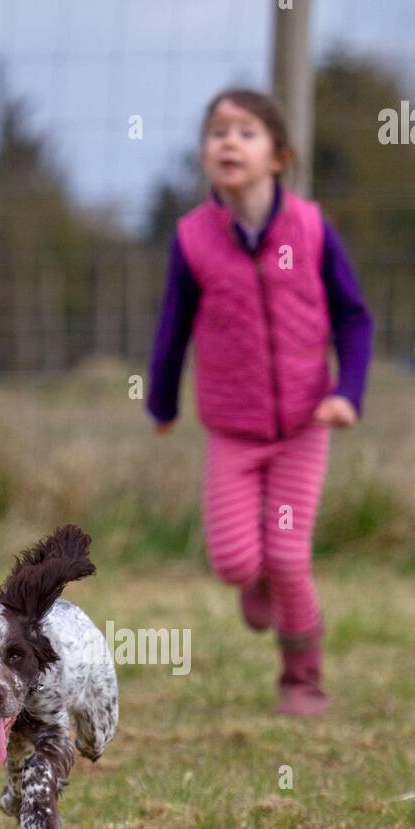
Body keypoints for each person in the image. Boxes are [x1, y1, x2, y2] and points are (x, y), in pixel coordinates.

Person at [148, 88, 373, 716]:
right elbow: (173, 327)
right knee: (233, 560)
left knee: (289, 555)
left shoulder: (311, 228)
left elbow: (355, 320)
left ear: (278, 155)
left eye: (245, 132)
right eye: (217, 131)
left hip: (305, 422)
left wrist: (346, 393)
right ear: (204, 154)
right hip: (233, 430)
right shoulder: (193, 239)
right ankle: (258, 581)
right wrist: (161, 402)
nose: (228, 142)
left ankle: (302, 678)